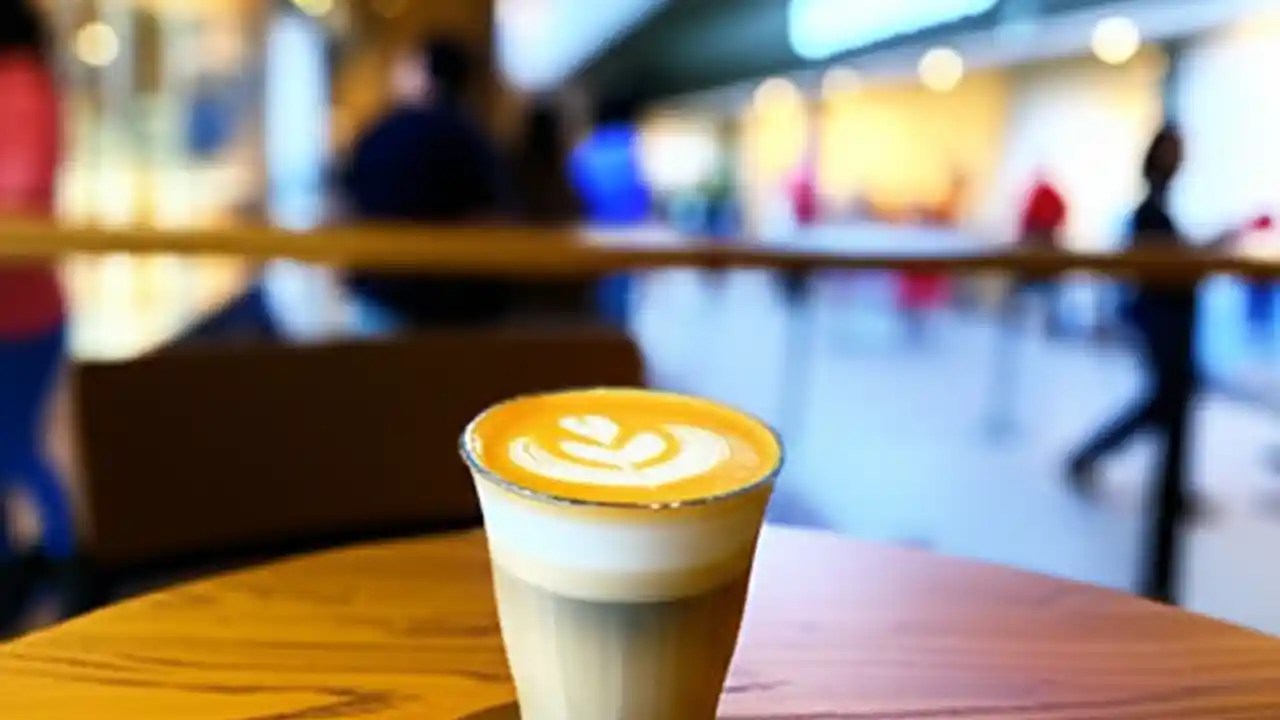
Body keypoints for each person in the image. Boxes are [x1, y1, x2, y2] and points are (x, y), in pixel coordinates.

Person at [1065, 126, 1232, 601]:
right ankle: (1092, 457)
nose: (1180, 158)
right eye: (1173, 150)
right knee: (1165, 400)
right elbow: (1158, 263)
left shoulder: (1161, 208)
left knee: (1169, 401)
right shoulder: (1148, 211)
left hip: (1170, 317)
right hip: (1160, 318)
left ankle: (1157, 484)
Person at [0, 0, 77, 630]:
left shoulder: (21, 85)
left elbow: (21, 195)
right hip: (20, 308)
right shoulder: (26, 84)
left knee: (17, 447)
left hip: (20, 313)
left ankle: (70, 562)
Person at [343, 38, 510, 326]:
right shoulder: (471, 139)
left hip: (382, 295)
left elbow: (348, 204)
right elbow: (493, 217)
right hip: (457, 305)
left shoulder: (381, 133)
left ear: (425, 74)